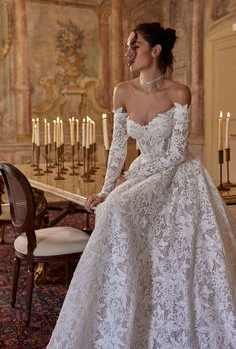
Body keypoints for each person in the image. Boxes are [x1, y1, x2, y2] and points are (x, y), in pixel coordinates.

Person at [47, 22, 236, 348]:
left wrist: (128, 180)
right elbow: (118, 149)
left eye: (135, 46)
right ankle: (120, 299)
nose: (128, 52)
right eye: (128, 46)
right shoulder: (122, 90)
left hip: (177, 174)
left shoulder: (180, 93)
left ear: (155, 50)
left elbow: (177, 154)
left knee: (121, 209)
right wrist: (107, 189)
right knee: (112, 207)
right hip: (141, 171)